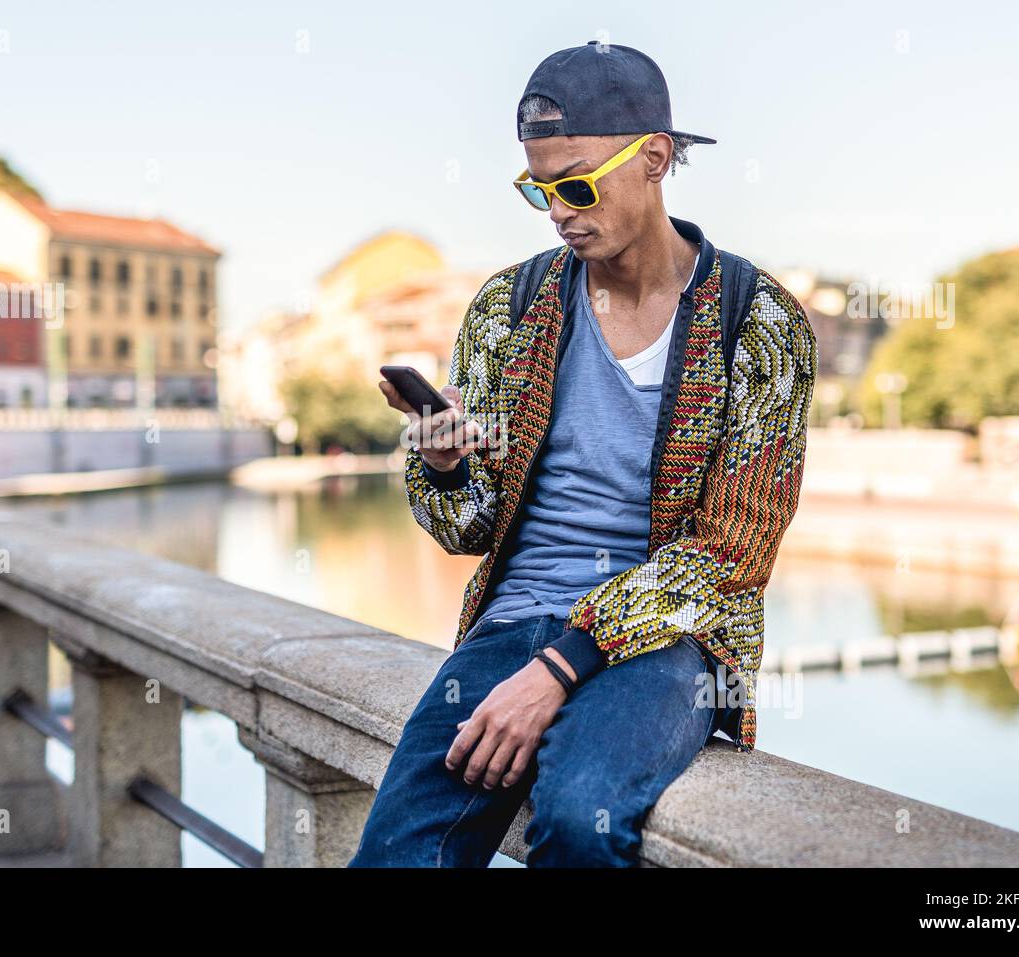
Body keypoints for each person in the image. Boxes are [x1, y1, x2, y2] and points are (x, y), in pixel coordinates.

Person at [351, 40, 817, 867]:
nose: (558, 210)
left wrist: (561, 666)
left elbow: (732, 553)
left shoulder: (758, 319)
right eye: (538, 188)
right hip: (512, 618)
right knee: (395, 850)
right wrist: (446, 461)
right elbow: (469, 529)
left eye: (575, 182)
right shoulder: (510, 305)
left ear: (657, 160)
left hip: (672, 637)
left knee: (580, 817)